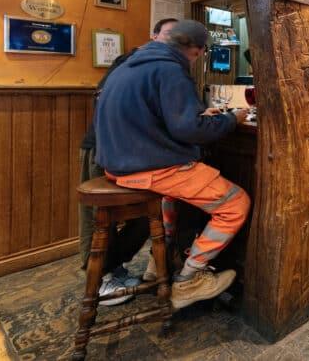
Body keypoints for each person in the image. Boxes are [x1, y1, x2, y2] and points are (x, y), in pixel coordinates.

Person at [95, 20, 251, 310]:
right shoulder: (171, 69)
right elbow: (190, 130)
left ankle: (161, 262)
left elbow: (155, 117)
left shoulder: (130, 64)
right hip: (148, 167)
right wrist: (232, 119)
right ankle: (189, 279)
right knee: (235, 203)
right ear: (196, 51)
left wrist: (200, 115)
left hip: (116, 165)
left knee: (173, 199)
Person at [78, 17, 178, 306]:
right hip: (104, 146)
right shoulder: (132, 60)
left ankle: (114, 268)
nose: (175, 41)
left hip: (132, 152)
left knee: (147, 213)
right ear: (153, 36)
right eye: (170, 34)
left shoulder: (162, 67)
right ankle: (98, 281)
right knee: (99, 218)